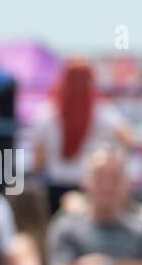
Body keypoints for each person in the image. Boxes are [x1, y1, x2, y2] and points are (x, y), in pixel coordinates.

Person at [30, 59, 133, 215]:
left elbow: (38, 159)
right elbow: (128, 139)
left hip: (54, 186)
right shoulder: (102, 112)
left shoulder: (47, 113)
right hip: (87, 187)